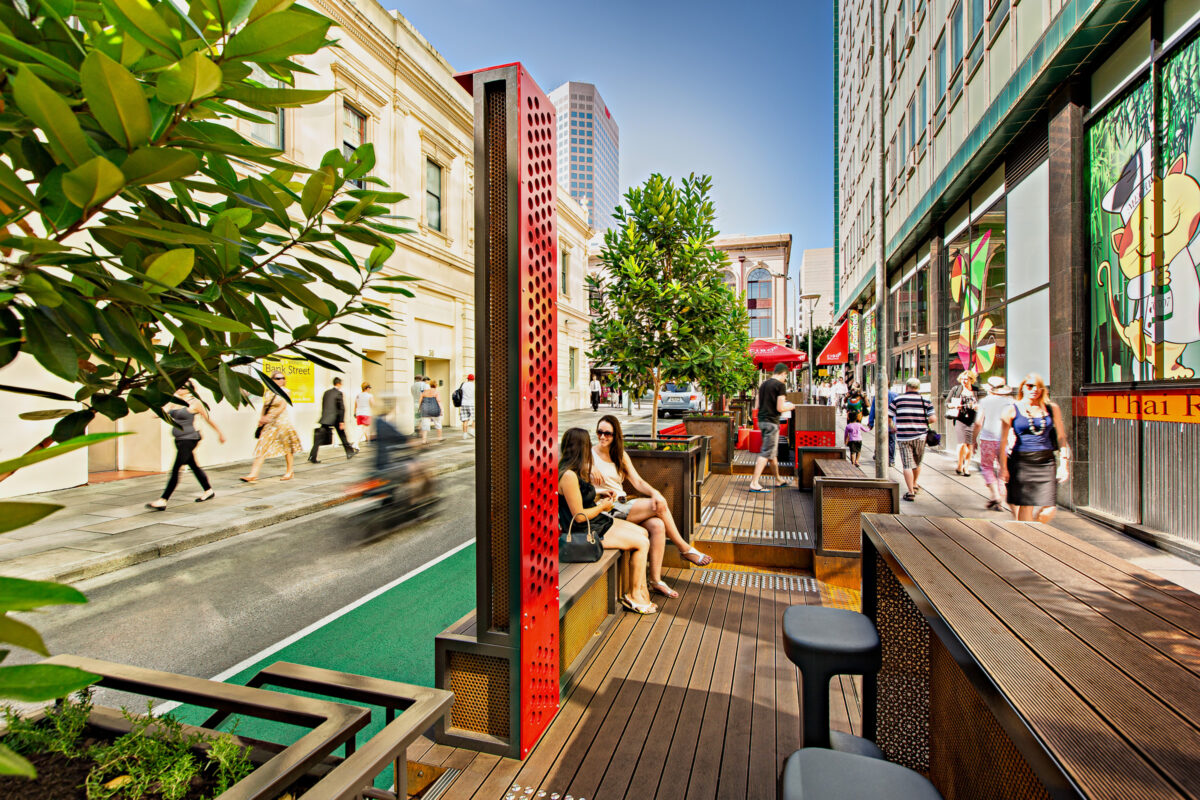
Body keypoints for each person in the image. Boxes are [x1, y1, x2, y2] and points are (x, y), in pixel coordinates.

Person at [591, 415, 713, 598]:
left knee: (658, 525)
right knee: (658, 506)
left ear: (615, 435)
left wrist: (655, 492)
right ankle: (684, 548)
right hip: (607, 509)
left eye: (607, 433)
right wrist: (589, 469)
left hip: (623, 504)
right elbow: (570, 475)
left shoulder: (620, 455)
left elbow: (638, 482)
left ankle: (655, 581)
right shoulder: (588, 454)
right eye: (599, 432)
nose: (602, 437)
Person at [558, 427, 657, 615]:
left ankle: (641, 588)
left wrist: (599, 493)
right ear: (582, 448)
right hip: (585, 530)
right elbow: (579, 515)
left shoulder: (572, 470)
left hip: (596, 522)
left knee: (643, 532)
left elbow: (578, 496)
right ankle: (634, 594)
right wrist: (603, 507)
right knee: (642, 542)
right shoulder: (569, 476)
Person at [999, 373, 1069, 523]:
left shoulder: (1051, 409)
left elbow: (1061, 437)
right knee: (1026, 505)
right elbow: (1003, 442)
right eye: (1030, 386)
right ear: (1023, 388)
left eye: (1038, 386)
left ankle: (1034, 530)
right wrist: (1003, 468)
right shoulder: (1012, 410)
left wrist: (1064, 464)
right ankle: (1028, 539)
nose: (1034, 390)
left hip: (1046, 461)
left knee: (1049, 508)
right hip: (1022, 461)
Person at [146, 384, 226, 510]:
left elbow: (208, 419)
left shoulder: (195, 403)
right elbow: (159, 413)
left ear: (189, 389)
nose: (178, 388)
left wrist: (219, 433)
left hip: (190, 439)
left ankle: (163, 500)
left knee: (176, 469)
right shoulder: (174, 402)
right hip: (179, 440)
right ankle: (208, 490)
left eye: (182, 387)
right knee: (193, 465)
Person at [241, 372, 303, 482]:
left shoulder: (285, 391)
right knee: (262, 445)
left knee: (287, 447)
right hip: (269, 424)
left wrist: (269, 417)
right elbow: (265, 407)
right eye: (278, 378)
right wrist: (262, 419)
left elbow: (282, 407)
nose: (281, 380)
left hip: (282, 422)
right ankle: (253, 474)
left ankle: (290, 471)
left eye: (282, 378)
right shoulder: (268, 392)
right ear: (272, 380)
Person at [749, 363, 797, 492]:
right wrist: (792, 406)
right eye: (785, 376)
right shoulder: (780, 386)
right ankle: (754, 483)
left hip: (762, 420)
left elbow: (756, 405)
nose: (784, 379)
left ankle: (778, 479)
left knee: (772, 453)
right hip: (772, 422)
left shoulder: (764, 384)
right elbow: (780, 408)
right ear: (783, 373)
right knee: (766, 452)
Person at [889, 377, 935, 501]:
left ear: (906, 387)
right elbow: (933, 419)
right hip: (920, 436)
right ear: (918, 388)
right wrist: (922, 420)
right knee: (917, 462)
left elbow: (889, 416)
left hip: (904, 436)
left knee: (907, 464)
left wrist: (893, 427)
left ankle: (910, 492)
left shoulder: (898, 399)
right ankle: (914, 484)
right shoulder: (925, 400)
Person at [974, 376, 1014, 511]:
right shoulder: (1009, 402)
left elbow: (978, 422)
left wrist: (973, 440)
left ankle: (995, 494)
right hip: (1003, 439)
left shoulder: (984, 401)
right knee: (1002, 468)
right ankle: (999, 498)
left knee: (986, 467)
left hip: (987, 439)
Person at [309, 377, 354, 463]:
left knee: (318, 439)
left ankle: (312, 456)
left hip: (326, 418)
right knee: (342, 435)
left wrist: (324, 417)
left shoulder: (326, 393)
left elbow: (324, 405)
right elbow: (341, 408)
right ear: (339, 384)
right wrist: (341, 421)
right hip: (336, 418)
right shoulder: (339, 393)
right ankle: (349, 452)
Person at [947, 370, 983, 476]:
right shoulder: (956, 389)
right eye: (962, 379)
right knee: (962, 443)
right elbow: (947, 403)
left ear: (971, 380)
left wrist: (977, 406)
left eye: (966, 379)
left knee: (970, 444)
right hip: (960, 418)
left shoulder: (976, 391)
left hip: (972, 419)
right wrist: (954, 405)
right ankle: (959, 464)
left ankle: (966, 467)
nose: (964, 381)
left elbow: (982, 405)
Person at [866, 382, 899, 467]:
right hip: (892, 423)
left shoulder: (877, 396)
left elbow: (873, 410)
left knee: (879, 439)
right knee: (891, 441)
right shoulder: (895, 395)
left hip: (880, 422)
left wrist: (871, 422)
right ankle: (891, 460)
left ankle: (878, 455)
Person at [353, 382, 374, 449]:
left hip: (359, 413)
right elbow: (372, 404)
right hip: (366, 413)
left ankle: (368, 441)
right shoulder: (369, 396)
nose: (369, 389)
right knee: (364, 428)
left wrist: (354, 413)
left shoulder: (358, 395)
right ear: (367, 388)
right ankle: (356, 443)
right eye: (369, 388)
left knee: (363, 428)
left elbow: (355, 405)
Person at [458, 374, 477, 439]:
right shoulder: (474, 385)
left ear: (467, 379)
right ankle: (472, 430)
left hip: (464, 403)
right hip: (472, 403)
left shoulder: (463, 385)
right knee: (475, 418)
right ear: (473, 379)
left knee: (465, 420)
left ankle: (465, 434)